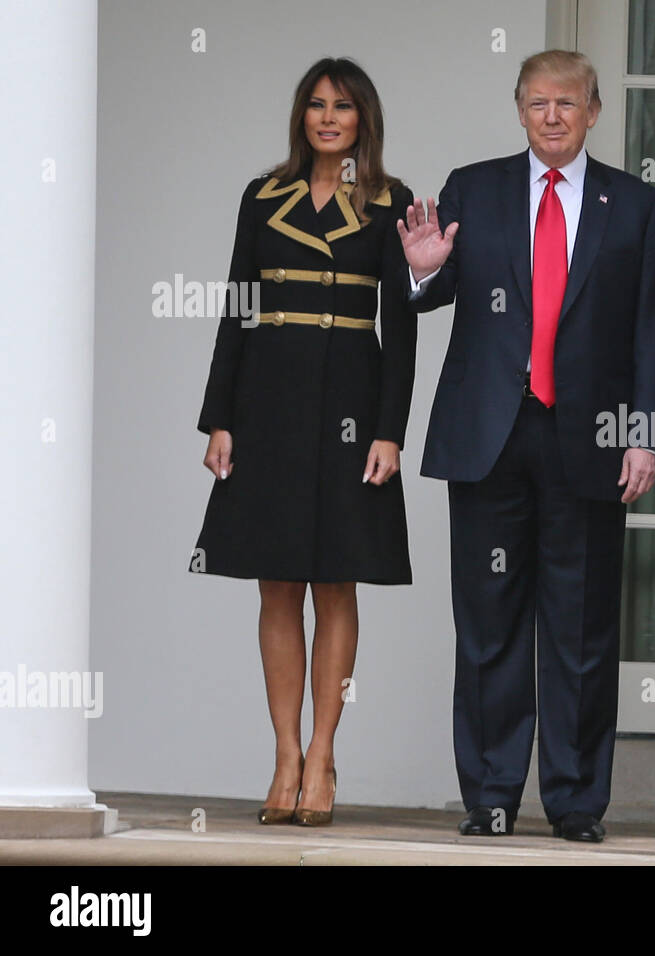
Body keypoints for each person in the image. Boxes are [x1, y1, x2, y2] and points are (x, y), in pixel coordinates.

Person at [398, 50, 655, 843]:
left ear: (594, 111)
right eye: (538, 103)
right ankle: (489, 793)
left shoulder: (637, 204)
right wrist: (421, 274)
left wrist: (649, 435)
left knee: (582, 628)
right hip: (490, 435)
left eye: (569, 103)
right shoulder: (473, 188)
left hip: (590, 439)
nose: (553, 117)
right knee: (488, 624)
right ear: (519, 109)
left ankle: (578, 801)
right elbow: (431, 289)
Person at [191, 58, 417, 827]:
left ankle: (324, 754)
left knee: (338, 582)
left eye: (343, 107)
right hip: (269, 402)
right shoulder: (264, 196)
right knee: (277, 584)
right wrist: (221, 417)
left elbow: (405, 326)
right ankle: (284, 755)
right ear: (302, 115)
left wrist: (390, 430)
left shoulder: (392, 202)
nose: (328, 117)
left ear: (364, 119)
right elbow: (236, 308)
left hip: (354, 397)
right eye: (317, 105)